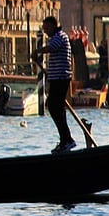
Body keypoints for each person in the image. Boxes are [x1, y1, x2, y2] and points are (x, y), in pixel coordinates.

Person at [32, 16, 75, 153]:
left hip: (61, 78)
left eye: (46, 28)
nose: (45, 31)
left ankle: (67, 140)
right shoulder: (57, 36)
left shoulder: (60, 36)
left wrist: (36, 52)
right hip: (57, 77)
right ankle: (65, 140)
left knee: (54, 107)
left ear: (52, 25)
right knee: (55, 107)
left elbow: (51, 48)